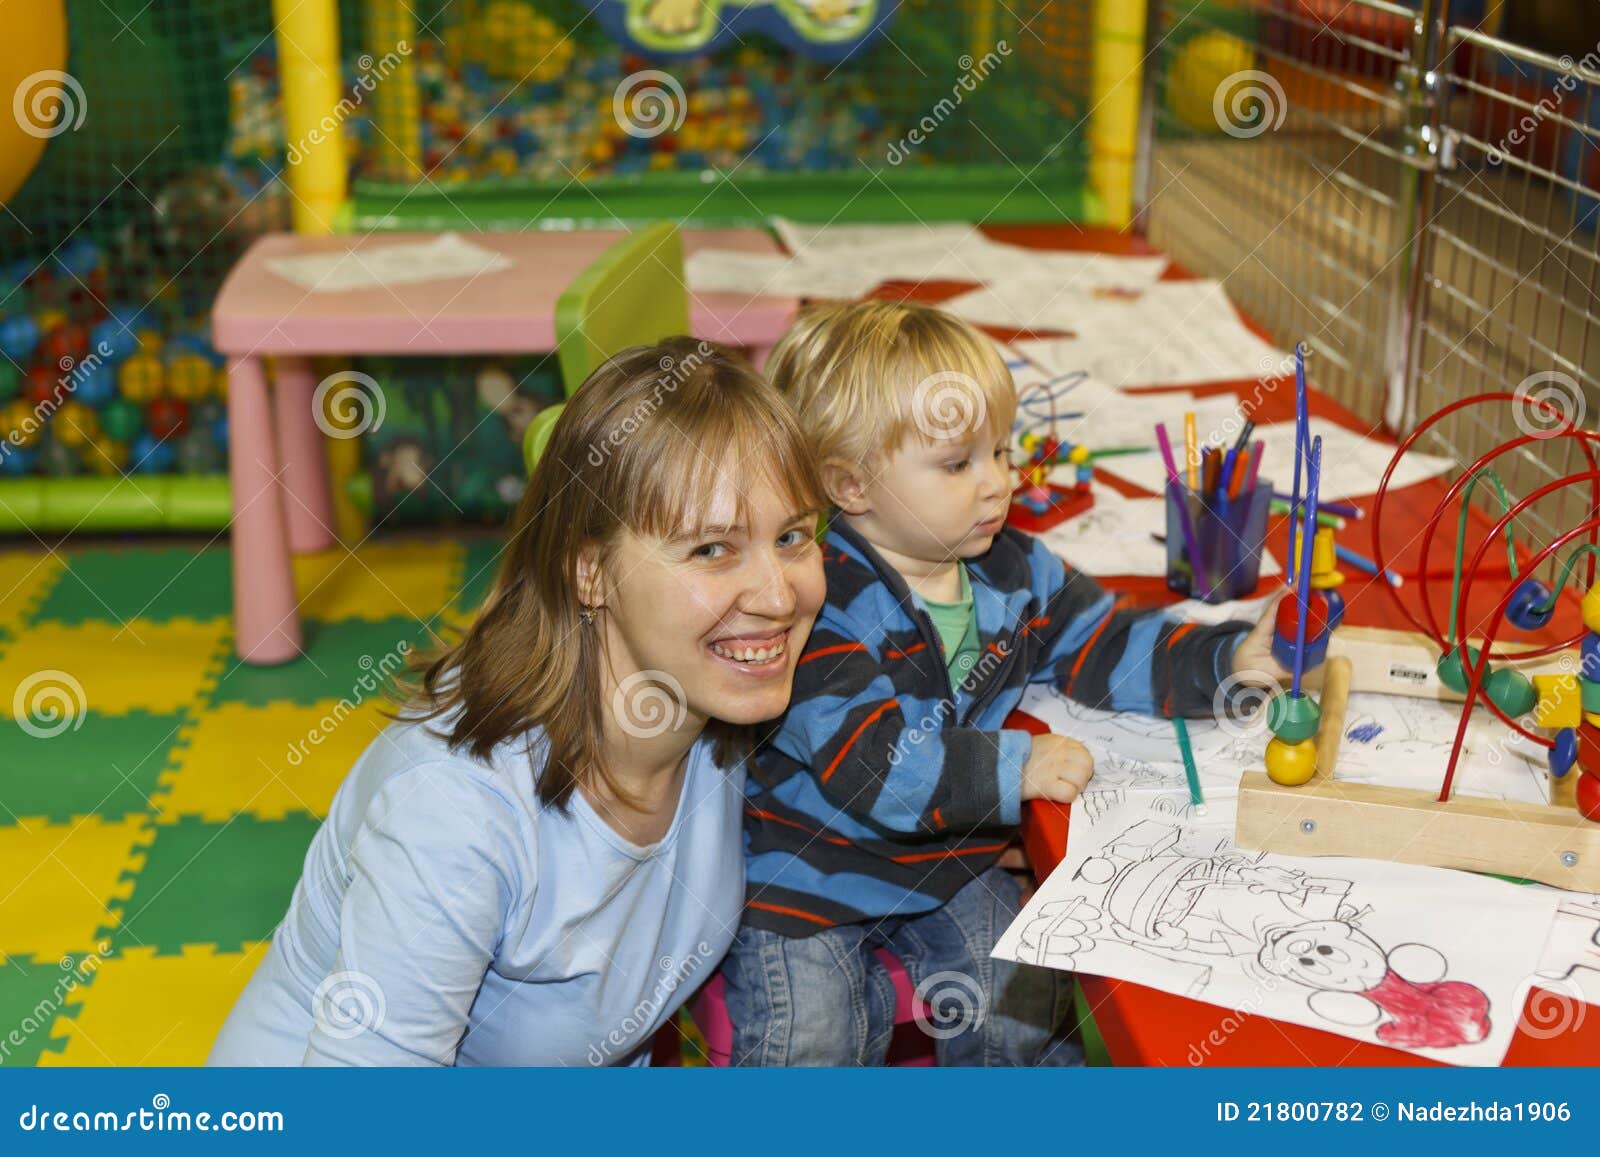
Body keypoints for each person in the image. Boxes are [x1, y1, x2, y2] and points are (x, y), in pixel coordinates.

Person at [209, 338, 826, 1066]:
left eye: (792, 536)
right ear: (591, 573)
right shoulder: (454, 811)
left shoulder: (725, 704)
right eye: (712, 549)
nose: (780, 594)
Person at [723, 301, 1293, 1066]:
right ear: (850, 486)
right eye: (959, 465)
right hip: (805, 874)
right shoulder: (815, 601)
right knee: (816, 1036)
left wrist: (1225, 660)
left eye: (1000, 450)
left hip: (945, 857)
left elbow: (1109, 640)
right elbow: (878, 768)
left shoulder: (1012, 570)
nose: (1000, 482)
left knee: (1022, 999)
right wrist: (1015, 765)